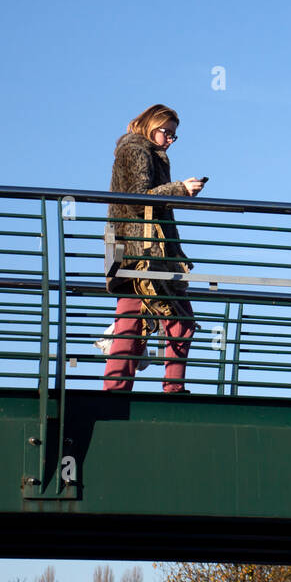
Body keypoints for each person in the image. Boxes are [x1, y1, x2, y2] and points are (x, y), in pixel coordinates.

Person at [102, 104, 206, 392]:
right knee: (158, 322)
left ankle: (122, 390)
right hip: (141, 254)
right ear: (151, 125)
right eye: (167, 133)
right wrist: (179, 189)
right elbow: (137, 199)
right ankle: (166, 388)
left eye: (174, 136)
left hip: (148, 254)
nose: (170, 140)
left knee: (138, 323)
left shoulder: (148, 152)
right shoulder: (136, 148)